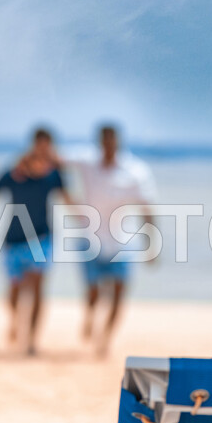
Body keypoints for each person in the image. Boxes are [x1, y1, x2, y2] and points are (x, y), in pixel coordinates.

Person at [0, 127, 69, 355]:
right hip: (13, 239)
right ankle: (16, 319)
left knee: (38, 287)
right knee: (14, 292)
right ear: (35, 144)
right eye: (41, 145)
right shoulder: (13, 173)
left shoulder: (54, 174)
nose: (45, 150)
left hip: (42, 238)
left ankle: (31, 341)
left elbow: (68, 199)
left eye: (49, 147)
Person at [68, 124, 157, 358]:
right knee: (93, 292)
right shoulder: (87, 161)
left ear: (118, 142)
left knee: (119, 293)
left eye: (111, 141)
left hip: (123, 242)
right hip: (90, 238)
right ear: (99, 142)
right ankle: (90, 315)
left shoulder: (135, 170)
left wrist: (152, 244)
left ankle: (105, 338)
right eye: (104, 141)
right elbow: (54, 160)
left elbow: (147, 209)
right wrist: (68, 200)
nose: (108, 145)